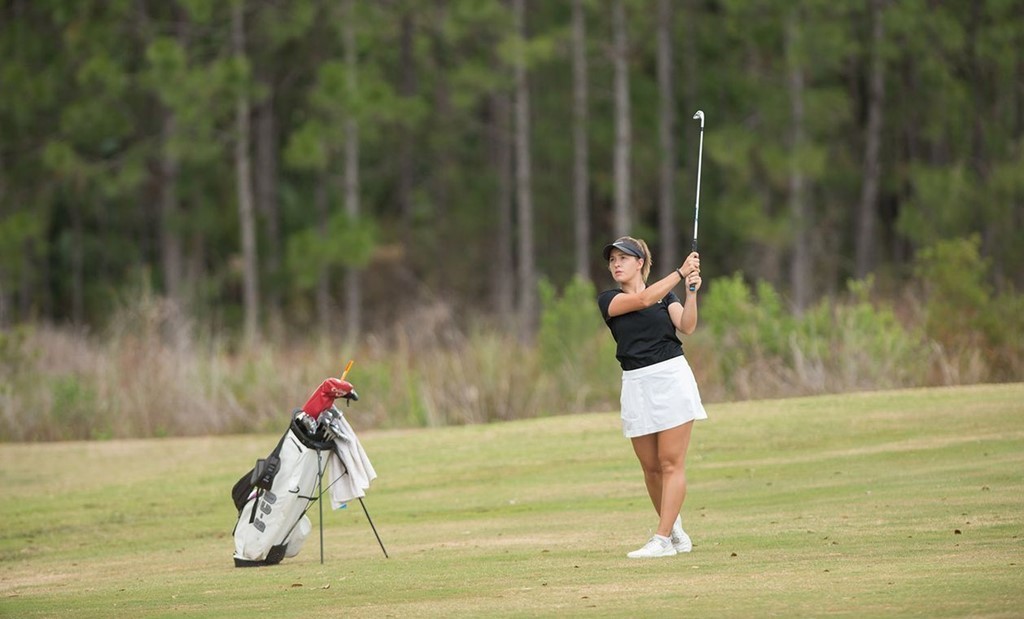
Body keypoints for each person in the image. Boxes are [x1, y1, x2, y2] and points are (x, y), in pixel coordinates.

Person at [596, 236, 707, 558]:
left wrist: (690, 292)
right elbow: (643, 300)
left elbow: (687, 326)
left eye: (623, 258)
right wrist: (680, 271)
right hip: (635, 382)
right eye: (612, 259)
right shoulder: (608, 300)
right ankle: (673, 529)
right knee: (651, 468)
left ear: (640, 262)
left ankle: (660, 540)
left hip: (671, 378)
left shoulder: (666, 296)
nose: (616, 264)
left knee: (671, 462)